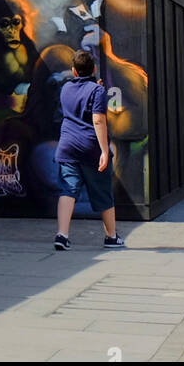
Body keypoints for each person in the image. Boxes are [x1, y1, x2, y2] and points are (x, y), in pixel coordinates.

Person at [53, 49, 125, 250]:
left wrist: (96, 90)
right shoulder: (97, 90)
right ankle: (111, 237)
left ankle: (62, 235)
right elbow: (98, 120)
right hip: (90, 148)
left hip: (67, 148)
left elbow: (78, 100)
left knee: (68, 189)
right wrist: (104, 151)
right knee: (102, 192)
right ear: (93, 68)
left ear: (73, 71)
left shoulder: (65, 88)